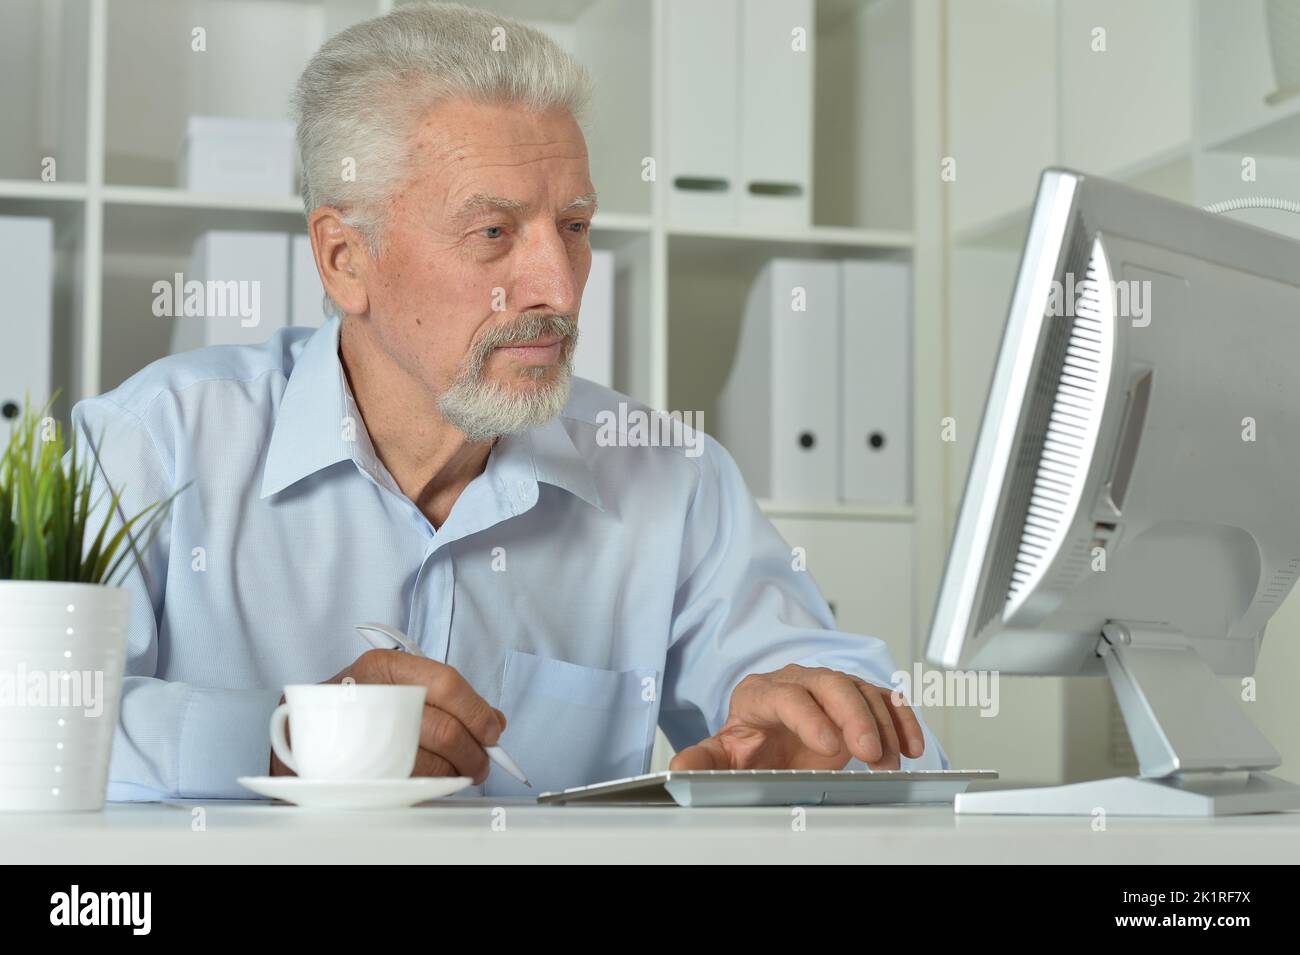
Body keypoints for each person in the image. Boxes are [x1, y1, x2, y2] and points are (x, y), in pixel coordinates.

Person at [73, 1, 948, 800]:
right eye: (493, 233)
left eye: (574, 226)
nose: (559, 289)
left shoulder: (673, 481)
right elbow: (30, 723)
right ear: (346, 259)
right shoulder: (152, 446)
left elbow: (900, 749)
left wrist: (839, 751)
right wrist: (275, 740)